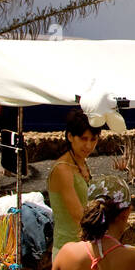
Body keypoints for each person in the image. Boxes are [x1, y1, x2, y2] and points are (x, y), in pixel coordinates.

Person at [47, 109, 101, 256]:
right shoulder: (62, 170)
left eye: (93, 139)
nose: (89, 146)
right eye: (84, 139)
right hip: (67, 251)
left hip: (85, 248)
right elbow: (79, 215)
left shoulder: (81, 164)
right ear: (70, 136)